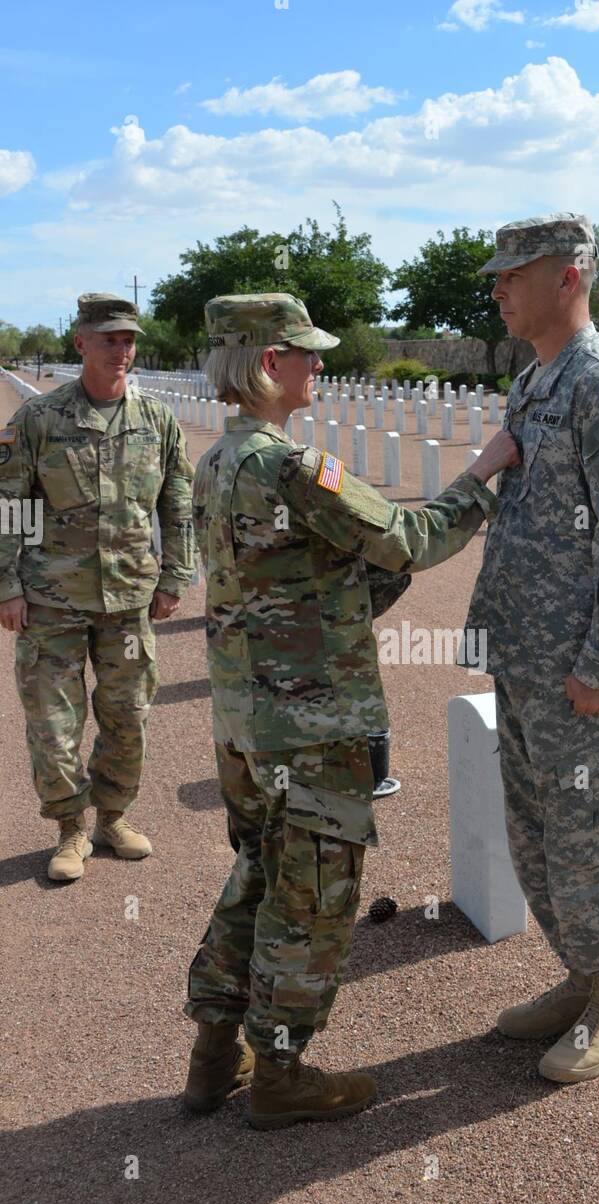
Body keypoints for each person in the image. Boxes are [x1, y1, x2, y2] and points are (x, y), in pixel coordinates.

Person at [183, 292, 518, 1127]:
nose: (318, 365)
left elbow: (285, 589)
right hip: (313, 723)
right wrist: (484, 473)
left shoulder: (216, 464)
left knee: (260, 874)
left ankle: (216, 1053)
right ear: (269, 363)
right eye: (305, 351)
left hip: (242, 723)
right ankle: (282, 1076)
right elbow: (408, 539)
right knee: (316, 898)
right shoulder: (292, 469)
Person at [461, 214, 599, 1083]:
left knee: (590, 840)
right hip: (527, 658)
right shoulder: (533, 380)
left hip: (582, 673)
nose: (500, 289)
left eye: (516, 274)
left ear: (569, 277)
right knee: (537, 838)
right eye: (499, 276)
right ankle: (581, 976)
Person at [0, 294, 196, 881]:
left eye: (129, 340)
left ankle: (113, 817)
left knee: (128, 715)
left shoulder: (155, 418)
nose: (121, 350)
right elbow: (11, 506)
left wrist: (176, 575)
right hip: (50, 601)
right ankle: (69, 830)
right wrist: (6, 583)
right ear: (80, 342)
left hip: (129, 600)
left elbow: (177, 503)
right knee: (54, 724)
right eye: (108, 339)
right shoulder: (39, 420)